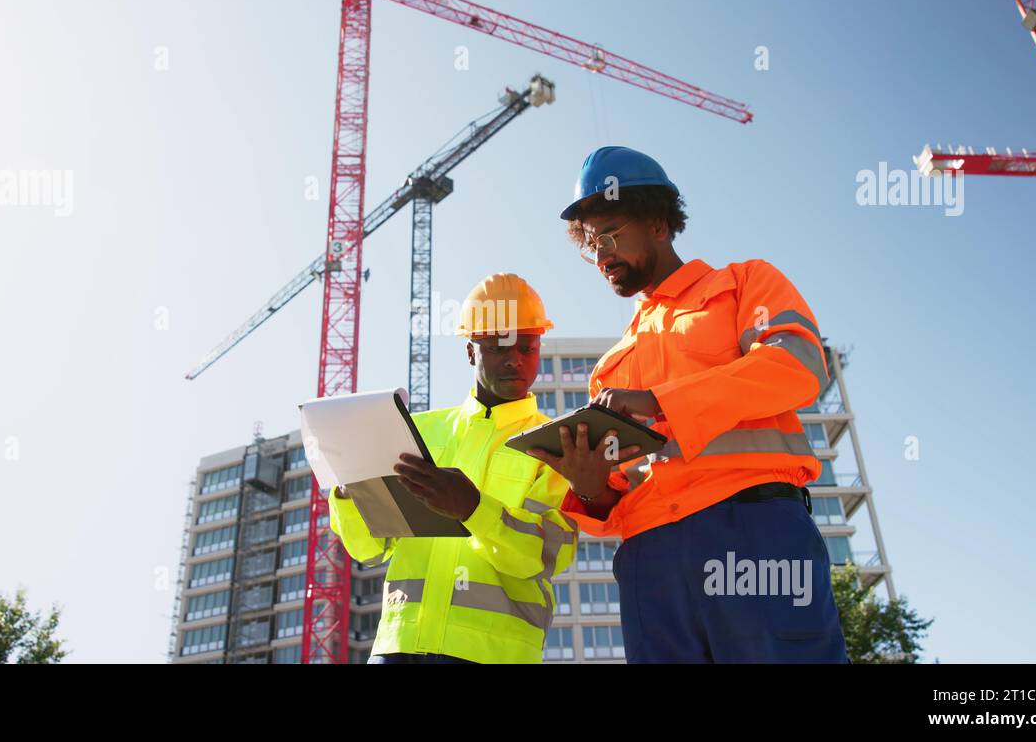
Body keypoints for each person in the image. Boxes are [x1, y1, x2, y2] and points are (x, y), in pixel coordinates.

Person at [525, 146, 849, 663]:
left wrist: (659, 401)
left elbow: (797, 365)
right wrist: (587, 487)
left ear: (657, 222)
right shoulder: (610, 368)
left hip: (753, 529)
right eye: (591, 243)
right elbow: (615, 494)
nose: (601, 253)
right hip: (649, 562)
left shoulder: (744, 283)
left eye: (609, 234)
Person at [328, 273, 579, 664]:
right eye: (498, 347)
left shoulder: (555, 445)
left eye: (526, 347)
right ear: (470, 352)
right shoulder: (418, 431)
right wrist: (350, 491)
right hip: (399, 644)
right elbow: (370, 549)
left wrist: (474, 510)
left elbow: (546, 556)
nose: (514, 360)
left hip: (495, 652)